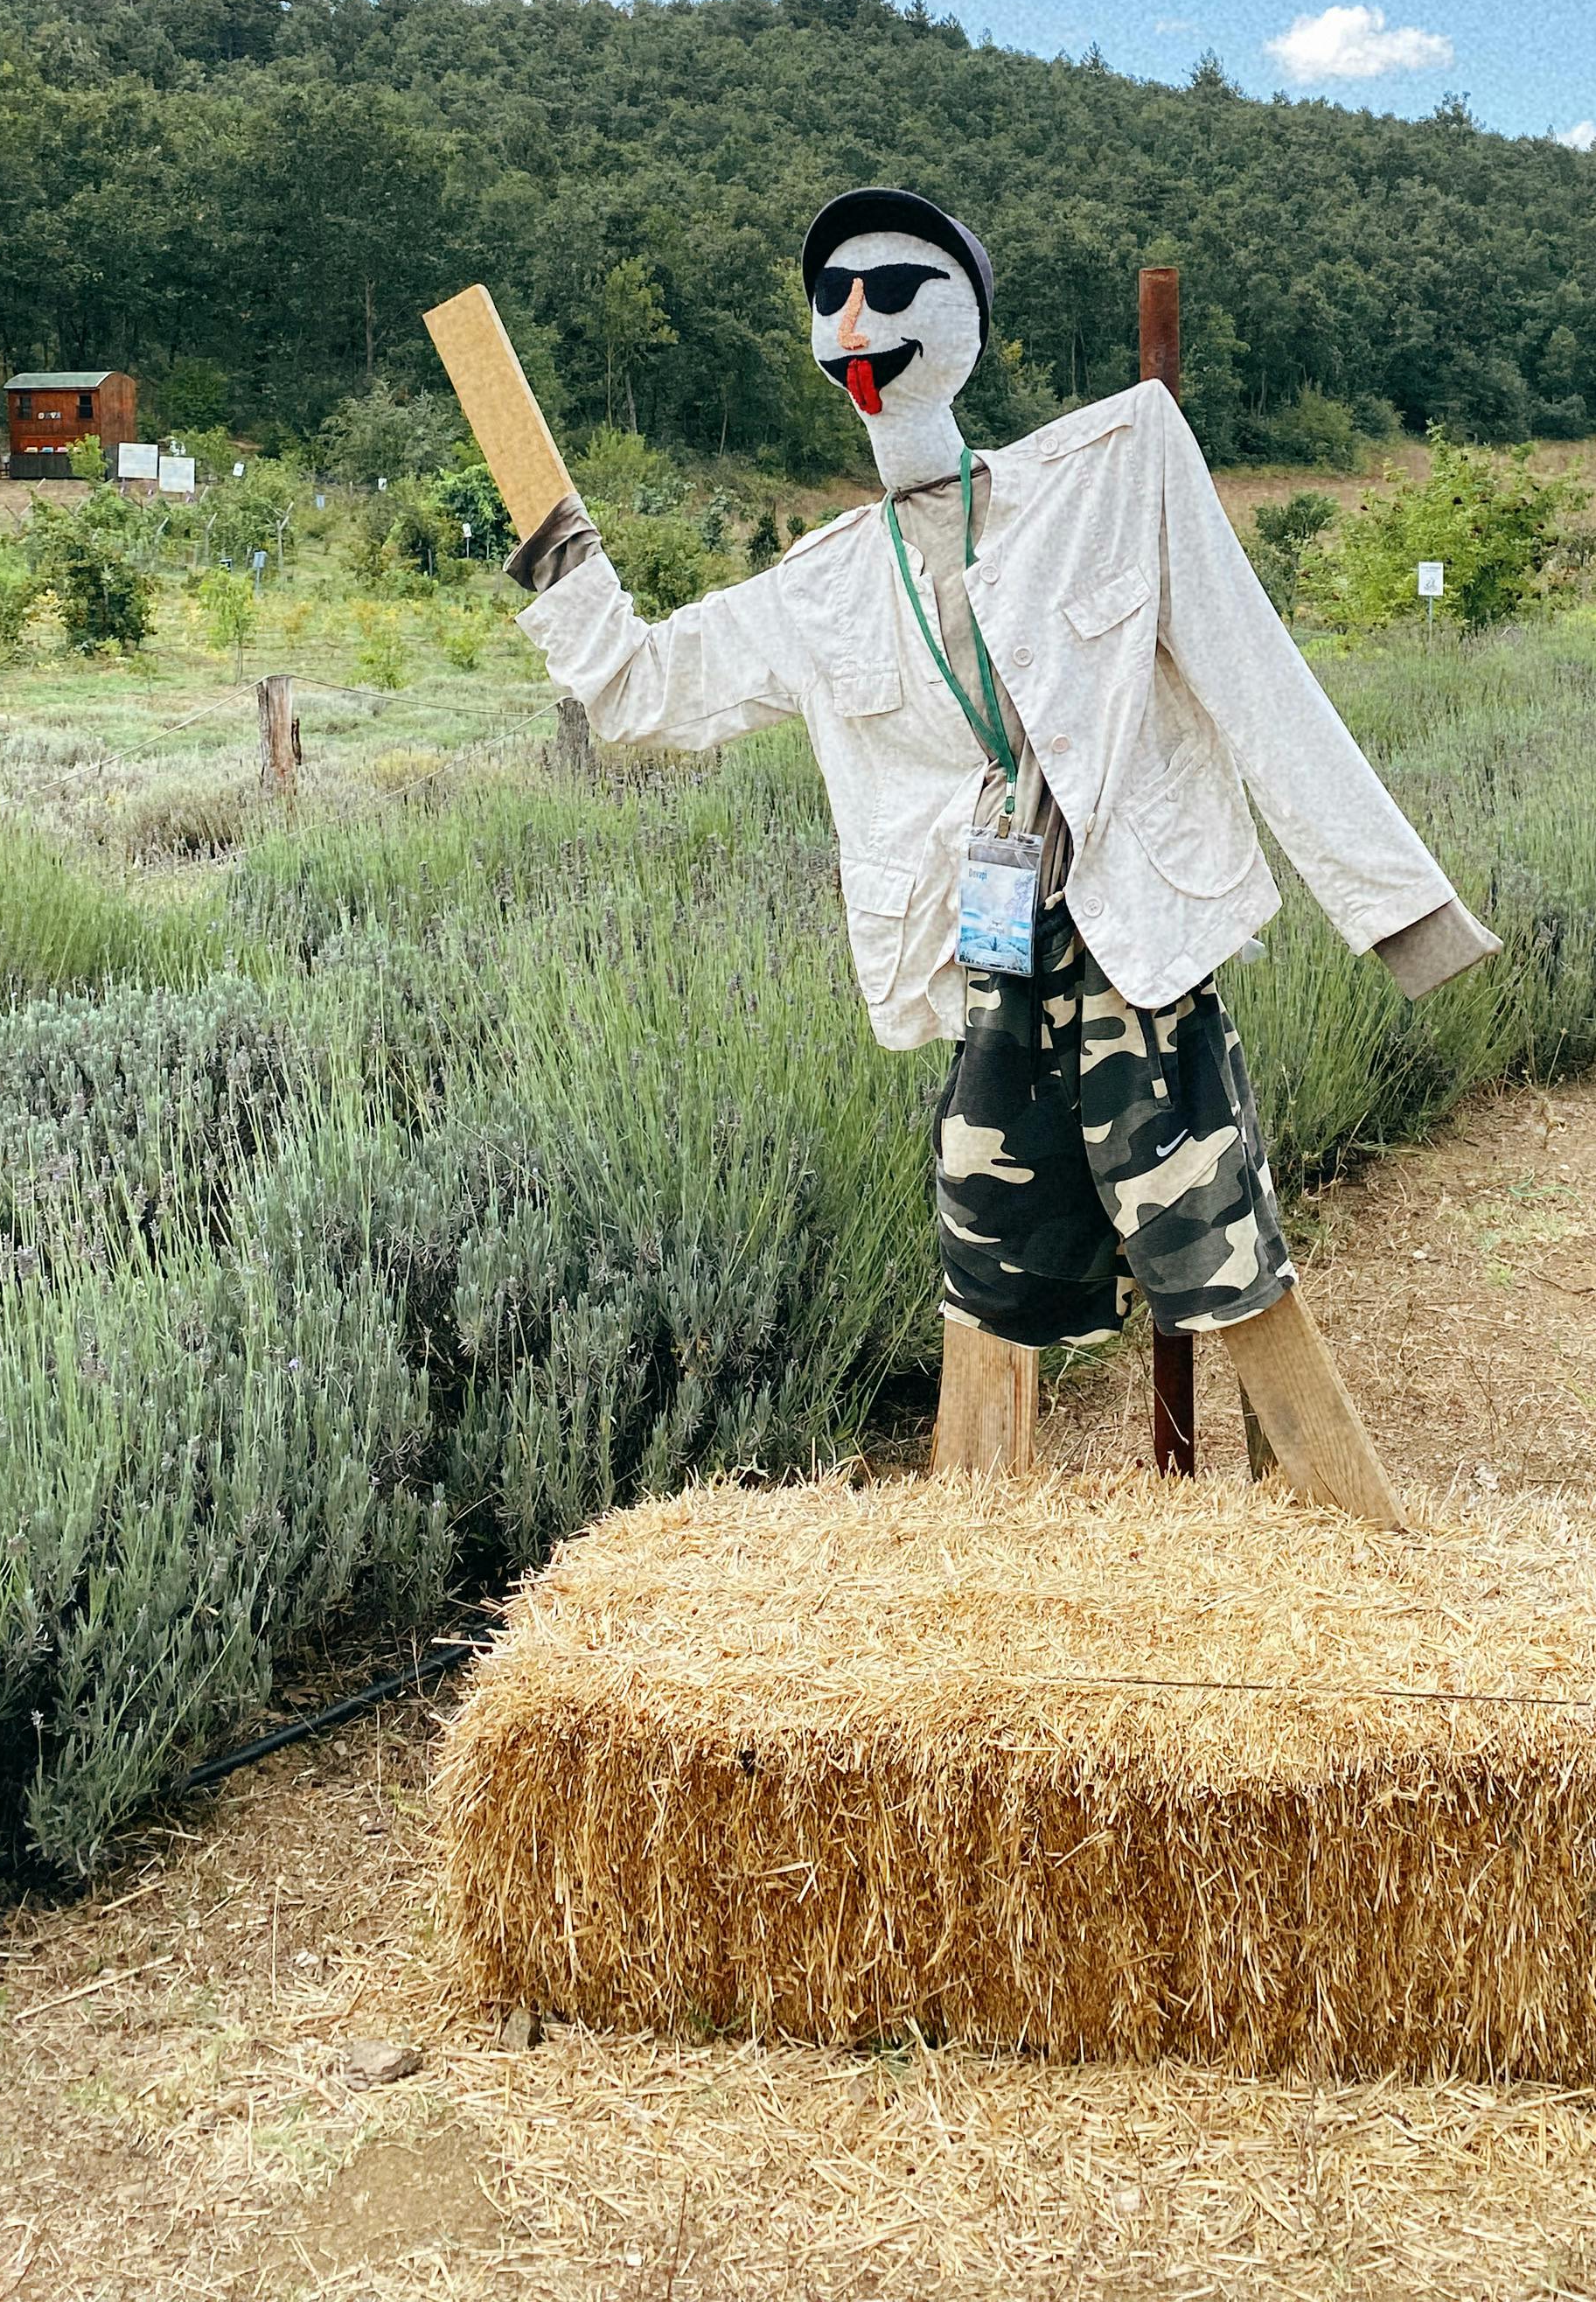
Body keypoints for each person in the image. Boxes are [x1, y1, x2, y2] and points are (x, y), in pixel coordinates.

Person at [505, 188, 1495, 1515]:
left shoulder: (1115, 470)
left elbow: (1259, 678)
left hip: (1136, 928)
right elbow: (636, 691)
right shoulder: (823, 584)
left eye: (893, 289)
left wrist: (1400, 912)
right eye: (832, 296)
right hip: (981, 958)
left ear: (965, 317)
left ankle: (1337, 1522)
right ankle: (978, 1538)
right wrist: (561, 553)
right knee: (990, 1232)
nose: (856, 320)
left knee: (1213, 1226)